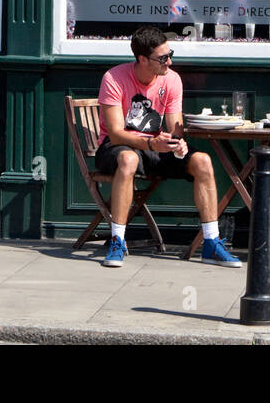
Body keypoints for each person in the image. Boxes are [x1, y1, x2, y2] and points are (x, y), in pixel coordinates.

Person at [96, 25, 242, 269]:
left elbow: (175, 125)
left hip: (155, 146)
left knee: (202, 161)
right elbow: (116, 133)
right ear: (142, 59)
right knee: (129, 160)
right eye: (163, 58)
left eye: (170, 53)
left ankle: (211, 242)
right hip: (117, 148)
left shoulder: (172, 80)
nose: (170, 62)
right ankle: (117, 241)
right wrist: (152, 142)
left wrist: (178, 143)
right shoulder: (114, 78)